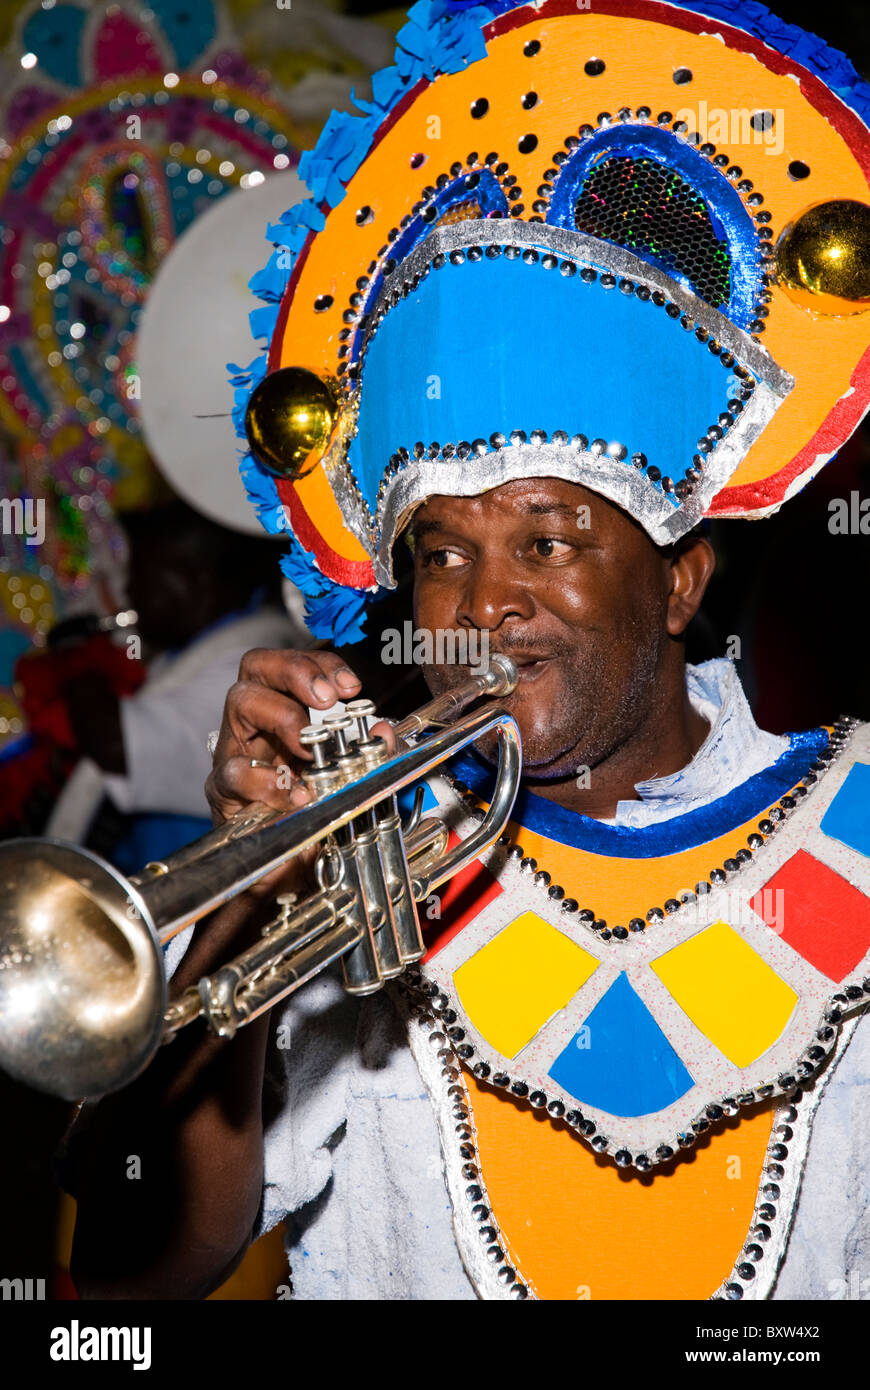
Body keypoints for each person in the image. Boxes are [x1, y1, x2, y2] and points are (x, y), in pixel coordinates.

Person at [62, 0, 870, 1301]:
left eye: (545, 539)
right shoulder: (358, 863)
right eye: (439, 550)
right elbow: (116, 1288)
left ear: (678, 581)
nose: (483, 600)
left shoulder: (851, 825)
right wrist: (243, 918)